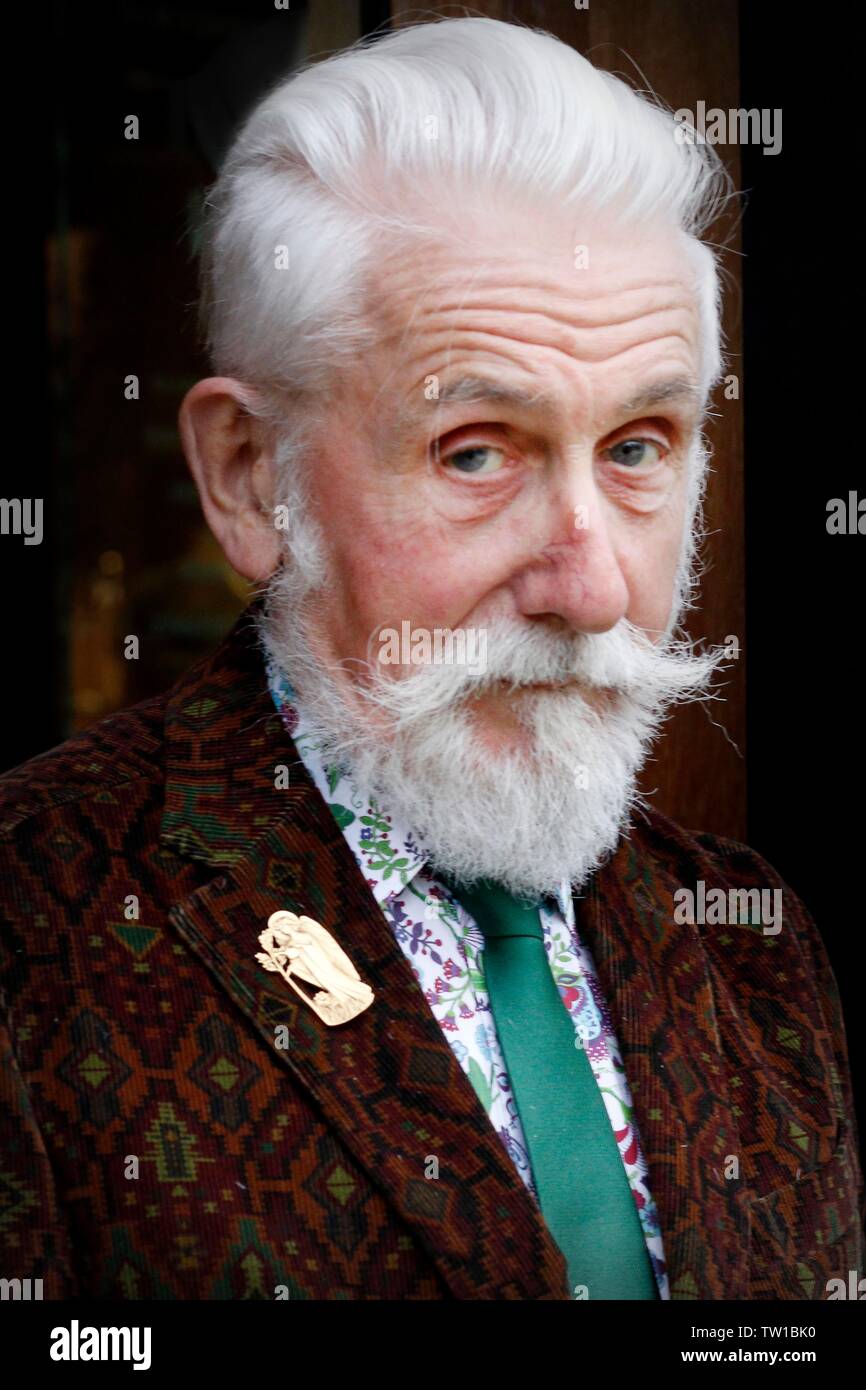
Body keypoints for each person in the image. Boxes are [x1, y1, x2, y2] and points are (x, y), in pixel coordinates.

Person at [1, 16, 862, 1301]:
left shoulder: (755, 945)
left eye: (637, 446)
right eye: (476, 450)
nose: (590, 585)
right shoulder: (32, 923)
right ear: (250, 479)